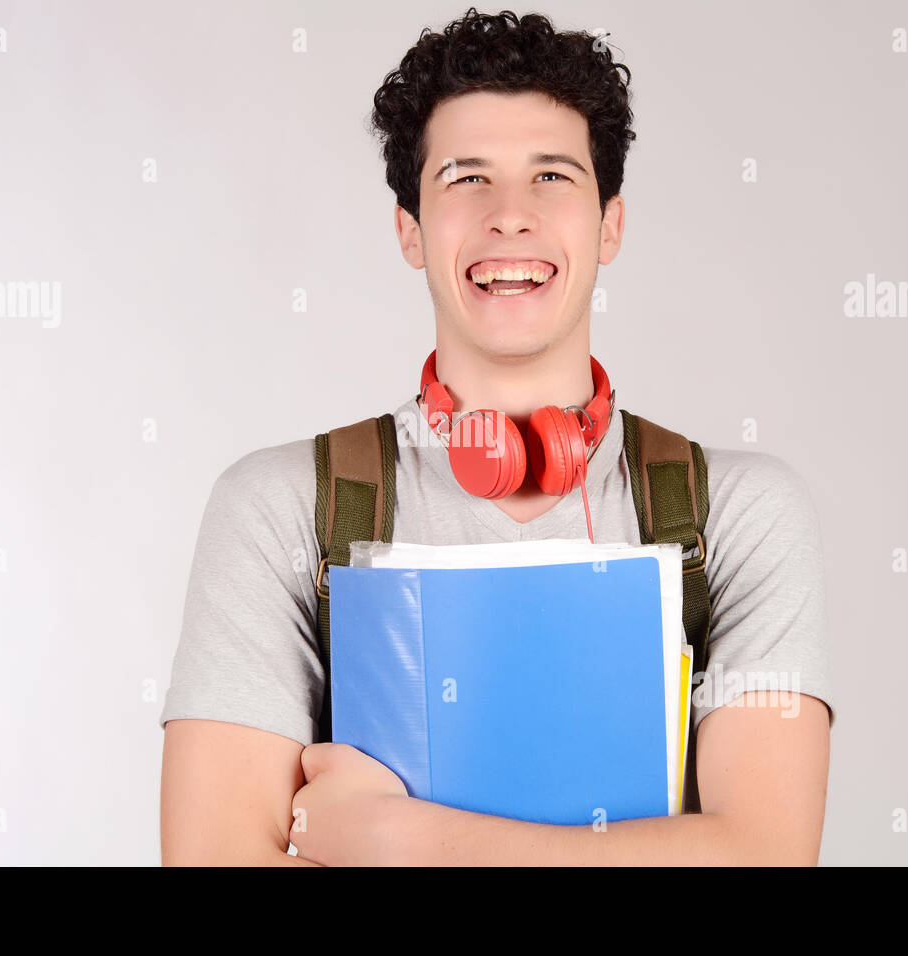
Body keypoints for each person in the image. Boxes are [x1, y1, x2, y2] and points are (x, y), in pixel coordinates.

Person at [159, 7, 832, 866]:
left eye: (552, 176)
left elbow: (766, 860)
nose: (509, 215)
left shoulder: (738, 516)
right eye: (465, 178)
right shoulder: (283, 508)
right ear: (410, 231)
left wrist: (399, 840)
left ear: (610, 225)